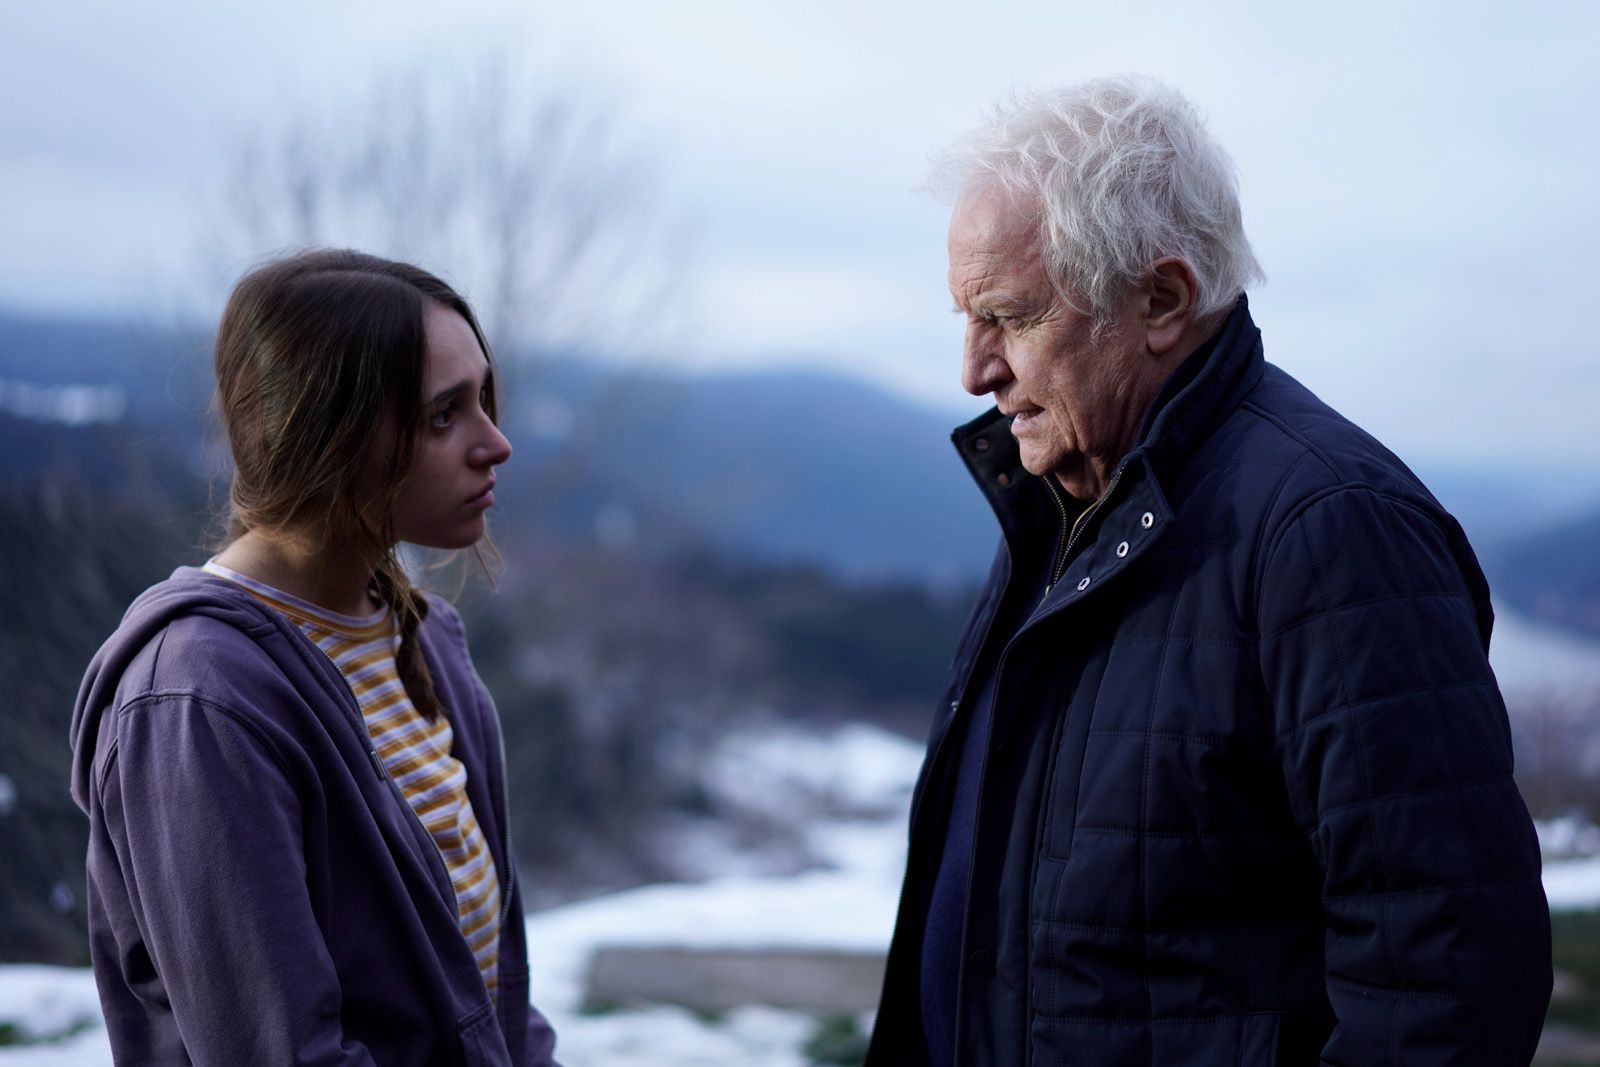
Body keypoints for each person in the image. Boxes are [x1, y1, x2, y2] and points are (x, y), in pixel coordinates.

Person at [867, 77, 1552, 1066]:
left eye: (1009, 317)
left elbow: (1445, 980)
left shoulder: (1329, 529)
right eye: (966, 319)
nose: (975, 369)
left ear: (1160, 300)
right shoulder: (1066, 502)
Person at [70, 250, 560, 1065]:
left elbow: (495, 987)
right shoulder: (201, 701)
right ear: (326, 437)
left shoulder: (424, 640)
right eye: (445, 415)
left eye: (486, 399)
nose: (496, 443)